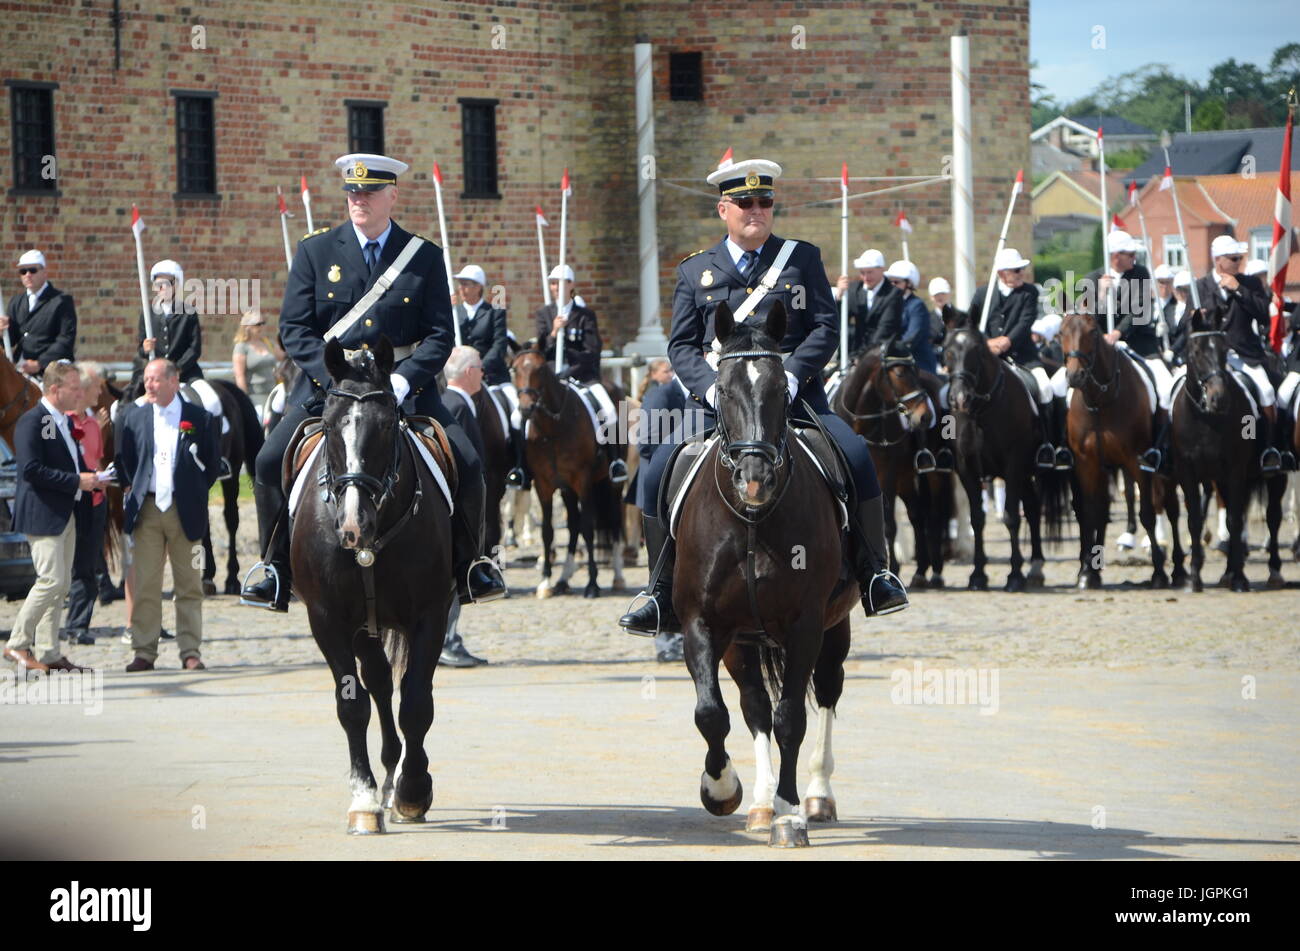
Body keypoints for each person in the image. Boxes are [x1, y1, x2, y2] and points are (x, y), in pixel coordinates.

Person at [619, 157, 907, 638]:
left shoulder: (801, 259)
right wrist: (710, 388)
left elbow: (823, 327)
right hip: (719, 400)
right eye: (746, 203)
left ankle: (875, 572)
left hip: (793, 397)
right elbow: (682, 345)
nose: (758, 210)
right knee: (655, 472)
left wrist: (793, 375)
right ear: (724, 210)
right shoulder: (696, 272)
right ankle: (659, 589)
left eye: (766, 201)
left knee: (856, 454)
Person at [239, 151, 506, 611]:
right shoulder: (315, 250)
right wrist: (332, 377)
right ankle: (274, 568)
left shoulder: (422, 256)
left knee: (468, 461)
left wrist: (404, 381)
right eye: (352, 192)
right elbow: (294, 328)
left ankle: (470, 565)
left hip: (405, 388)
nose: (358, 200)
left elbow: (440, 334)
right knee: (266, 461)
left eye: (369, 192)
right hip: (330, 389)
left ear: (392, 196)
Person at [114, 359, 220, 671]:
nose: (149, 384)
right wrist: (135, 489)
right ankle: (144, 651)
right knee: (146, 583)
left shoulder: (198, 418)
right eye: (147, 379)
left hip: (184, 509)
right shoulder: (132, 416)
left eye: (156, 379)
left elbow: (212, 465)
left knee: (189, 584)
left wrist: (193, 490)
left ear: (174, 382)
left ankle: (190, 651)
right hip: (147, 510)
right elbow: (123, 461)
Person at [3, 361, 99, 673]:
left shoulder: (60, 420)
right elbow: (30, 470)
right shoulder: (34, 420)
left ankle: (48, 651)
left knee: (61, 585)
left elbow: (64, 463)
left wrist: (88, 478)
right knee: (51, 581)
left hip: (64, 511)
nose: (80, 393)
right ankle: (17, 643)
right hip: (43, 514)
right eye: (74, 388)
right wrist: (76, 481)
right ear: (55, 390)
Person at [968, 247, 1070, 470]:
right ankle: (953, 442)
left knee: (1046, 389)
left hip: (1023, 356)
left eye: (1022, 270)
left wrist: (1006, 341)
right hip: (988, 359)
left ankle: (1049, 444)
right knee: (956, 393)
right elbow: (972, 324)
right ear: (1002, 273)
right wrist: (986, 343)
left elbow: (1025, 322)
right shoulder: (982, 295)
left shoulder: (1029, 293)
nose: (1021, 274)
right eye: (1016, 271)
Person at [1081, 231, 1172, 472]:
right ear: (1114, 257)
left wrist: (1118, 333)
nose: (1134, 258)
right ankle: (1065, 447)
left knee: (1166, 389)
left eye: (1134, 254)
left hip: (1140, 346)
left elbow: (1140, 310)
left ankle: (1161, 447)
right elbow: (1086, 319)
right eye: (1130, 254)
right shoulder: (1092, 278)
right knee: (1061, 387)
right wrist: (1100, 295)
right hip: (1100, 350)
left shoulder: (1140, 274)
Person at [1194, 235, 1285, 473]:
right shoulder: (1201, 287)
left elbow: (1265, 314)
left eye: (1240, 258)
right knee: (1173, 394)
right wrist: (1196, 316)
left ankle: (1263, 444)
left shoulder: (1250, 284)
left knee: (1264, 393)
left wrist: (1239, 290)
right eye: (1233, 259)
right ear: (1218, 260)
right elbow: (1188, 324)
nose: (1238, 263)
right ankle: (1171, 447)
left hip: (1245, 356)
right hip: (1211, 358)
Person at [131, 260, 230, 472]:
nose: (161, 288)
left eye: (166, 283)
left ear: (177, 285)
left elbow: (194, 349)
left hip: (186, 373)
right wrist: (144, 346)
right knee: (127, 405)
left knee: (212, 401)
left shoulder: (188, 312)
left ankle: (217, 456)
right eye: (158, 284)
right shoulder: (148, 314)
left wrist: (176, 371)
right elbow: (141, 348)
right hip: (155, 375)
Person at [530, 265, 626, 483]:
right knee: (523, 416)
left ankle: (615, 461)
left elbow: (592, 350)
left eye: (560, 283)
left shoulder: (585, 316)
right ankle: (524, 465)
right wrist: (554, 332)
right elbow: (541, 351)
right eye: (553, 283)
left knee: (609, 412)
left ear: (571, 285)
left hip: (583, 377)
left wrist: (570, 370)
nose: (555, 288)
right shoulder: (544, 314)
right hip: (552, 380)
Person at [439, 345, 492, 668]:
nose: (484, 374)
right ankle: (446, 639)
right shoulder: (455, 405)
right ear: (470, 372)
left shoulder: (463, 403)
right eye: (481, 369)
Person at [61, 362, 111, 646]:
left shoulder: (93, 424)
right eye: (95, 386)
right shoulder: (57, 423)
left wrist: (103, 478)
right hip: (68, 502)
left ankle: (78, 624)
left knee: (87, 566)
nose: (100, 391)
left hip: (94, 502)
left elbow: (96, 460)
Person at [1, 250, 78, 377]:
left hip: (51, 370)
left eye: (33, 270)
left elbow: (66, 339)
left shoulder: (62, 301)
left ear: (44, 272)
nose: (28, 275)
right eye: (23, 271)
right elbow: (10, 340)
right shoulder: (16, 302)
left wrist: (40, 363)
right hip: (21, 368)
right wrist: (2, 332)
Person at [833, 248, 901, 355]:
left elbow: (885, 328)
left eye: (870, 272)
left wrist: (863, 355)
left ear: (881, 270)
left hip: (880, 353)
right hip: (853, 352)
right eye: (862, 272)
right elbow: (840, 320)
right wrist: (839, 295)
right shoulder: (854, 290)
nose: (866, 277)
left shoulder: (893, 293)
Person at [451, 265, 510, 386]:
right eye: (460, 284)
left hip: (491, 375)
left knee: (512, 399)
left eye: (465, 284)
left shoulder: (494, 312)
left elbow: (499, 345)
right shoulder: (454, 313)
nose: (461, 288)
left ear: (478, 287)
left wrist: (480, 368)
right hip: (460, 375)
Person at [885, 260, 937, 374]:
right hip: (895, 363)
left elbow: (911, 338)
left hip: (919, 366)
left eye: (896, 282)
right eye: (890, 282)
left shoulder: (917, 306)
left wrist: (888, 349)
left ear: (909, 284)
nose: (892, 285)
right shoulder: (889, 305)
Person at [232, 310, 284, 411]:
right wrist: (245, 399)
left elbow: (284, 356)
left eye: (263, 323)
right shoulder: (242, 347)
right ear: (247, 326)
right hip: (255, 395)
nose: (262, 327)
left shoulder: (268, 343)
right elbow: (239, 376)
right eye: (257, 324)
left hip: (273, 393)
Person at [927, 276, 951, 348]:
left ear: (949, 294)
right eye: (936, 295)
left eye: (943, 293)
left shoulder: (959, 317)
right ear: (931, 297)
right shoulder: (927, 319)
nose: (940, 297)